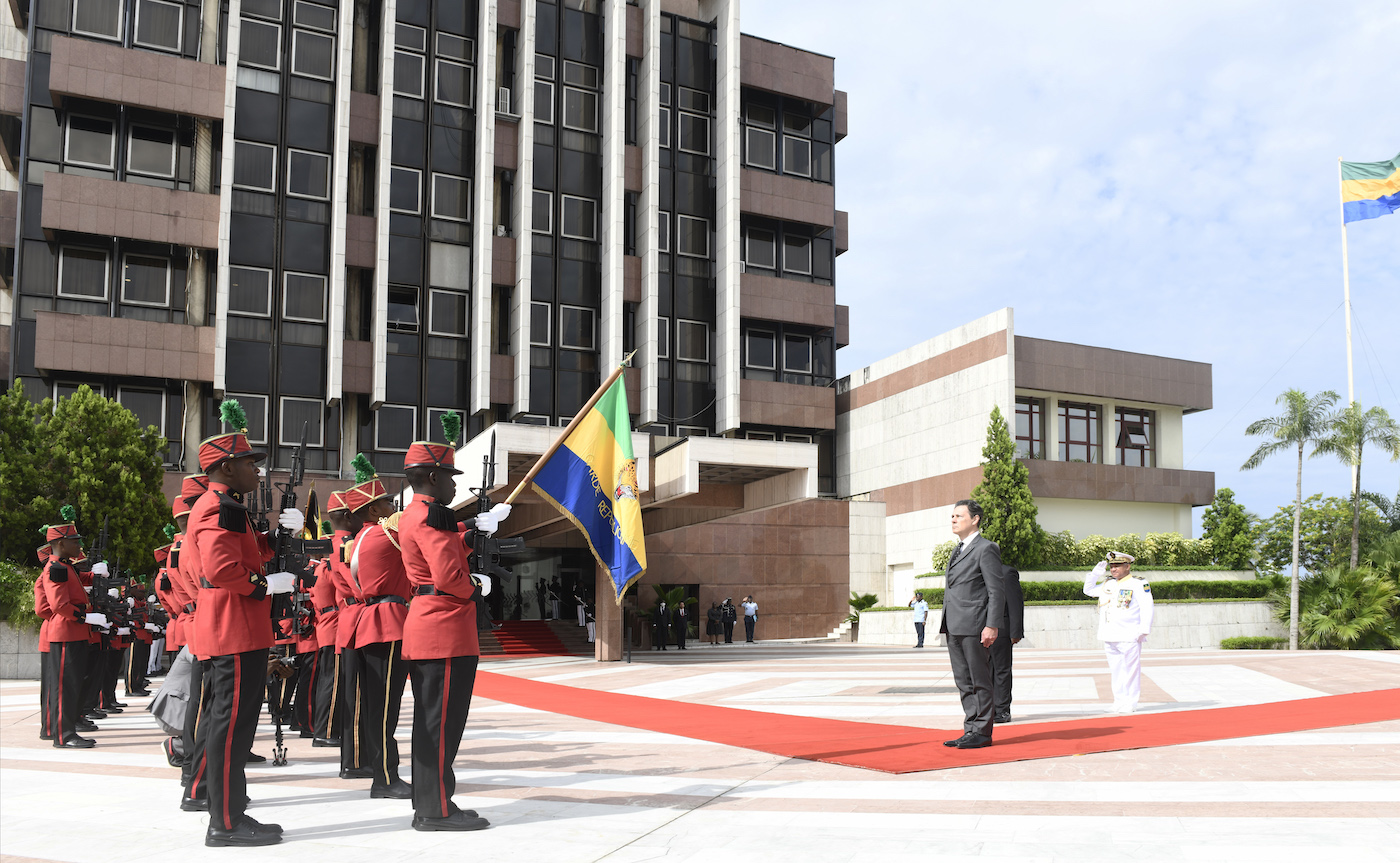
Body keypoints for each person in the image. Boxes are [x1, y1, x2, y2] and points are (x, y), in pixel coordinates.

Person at [188, 403, 304, 846]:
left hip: (239, 627)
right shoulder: (217, 506)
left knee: (237, 727)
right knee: (229, 725)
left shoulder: (227, 505)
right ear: (226, 466)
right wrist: (264, 586)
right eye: (249, 463)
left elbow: (249, 553)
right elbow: (222, 569)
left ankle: (233, 812)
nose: (256, 471)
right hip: (232, 627)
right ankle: (225, 823)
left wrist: (279, 535)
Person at [399, 431, 509, 831]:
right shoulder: (430, 515)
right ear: (431, 477)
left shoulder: (420, 514)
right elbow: (447, 576)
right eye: (449, 476)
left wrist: (472, 532)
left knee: (433, 723)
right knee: (440, 725)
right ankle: (435, 809)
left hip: (431, 626)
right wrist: (479, 584)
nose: (454, 483)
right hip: (443, 628)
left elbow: (440, 550)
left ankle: (432, 799)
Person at [347, 463, 414, 800]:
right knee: (385, 708)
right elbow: (425, 532)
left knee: (377, 707)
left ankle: (382, 773)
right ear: (373, 510)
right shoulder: (388, 529)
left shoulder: (360, 538)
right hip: (387, 620)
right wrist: (473, 525)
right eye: (388, 502)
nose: (394, 506)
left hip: (369, 619)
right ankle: (386, 778)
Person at [938, 499, 1004, 750]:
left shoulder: (986, 548)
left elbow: (996, 591)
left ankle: (983, 732)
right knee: (963, 681)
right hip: (954, 624)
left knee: (979, 679)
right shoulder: (958, 549)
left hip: (975, 625)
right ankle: (970, 729)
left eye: (958, 516)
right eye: (952, 516)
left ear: (975, 519)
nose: (953, 520)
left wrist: (992, 625)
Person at [39, 514, 107, 749]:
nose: (78, 546)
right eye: (74, 541)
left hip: (75, 632)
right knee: (64, 688)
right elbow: (58, 605)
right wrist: (85, 617)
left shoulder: (65, 567)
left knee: (73, 685)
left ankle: (66, 731)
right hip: (66, 632)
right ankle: (63, 735)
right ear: (59, 543)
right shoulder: (56, 567)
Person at [1084, 551, 1154, 714]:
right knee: (1116, 670)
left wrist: (1144, 629)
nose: (1113, 569)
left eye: (1117, 566)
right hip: (1110, 634)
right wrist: (1095, 574)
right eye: (1112, 566)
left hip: (1129, 634)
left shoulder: (1138, 583)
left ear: (1127, 566)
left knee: (1130, 670)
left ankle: (1131, 701)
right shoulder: (1108, 583)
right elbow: (1088, 590)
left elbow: (1147, 606)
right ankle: (1119, 700)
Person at [989, 564, 1025, 723]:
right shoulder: (976, 573)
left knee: (1001, 671)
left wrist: (1015, 632)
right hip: (978, 629)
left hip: (1001, 631)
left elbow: (1015, 602)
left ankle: (1002, 710)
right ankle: (987, 709)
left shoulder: (1006, 572)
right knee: (983, 672)